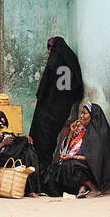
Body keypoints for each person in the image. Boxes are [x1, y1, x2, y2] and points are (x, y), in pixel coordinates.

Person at [40, 103, 110, 198]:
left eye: (84, 113)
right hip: (78, 165)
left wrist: (73, 157)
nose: (81, 116)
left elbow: (95, 159)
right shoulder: (81, 131)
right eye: (81, 113)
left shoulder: (99, 134)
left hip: (94, 169)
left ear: (92, 116)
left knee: (71, 165)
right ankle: (82, 187)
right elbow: (65, 153)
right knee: (52, 170)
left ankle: (94, 189)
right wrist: (71, 132)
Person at [29, 36, 83, 171]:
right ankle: (45, 169)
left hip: (47, 111)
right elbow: (67, 90)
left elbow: (51, 89)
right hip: (61, 112)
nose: (48, 52)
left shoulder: (55, 63)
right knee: (50, 139)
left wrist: (43, 101)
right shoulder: (70, 61)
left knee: (43, 140)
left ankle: (43, 171)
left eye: (50, 49)